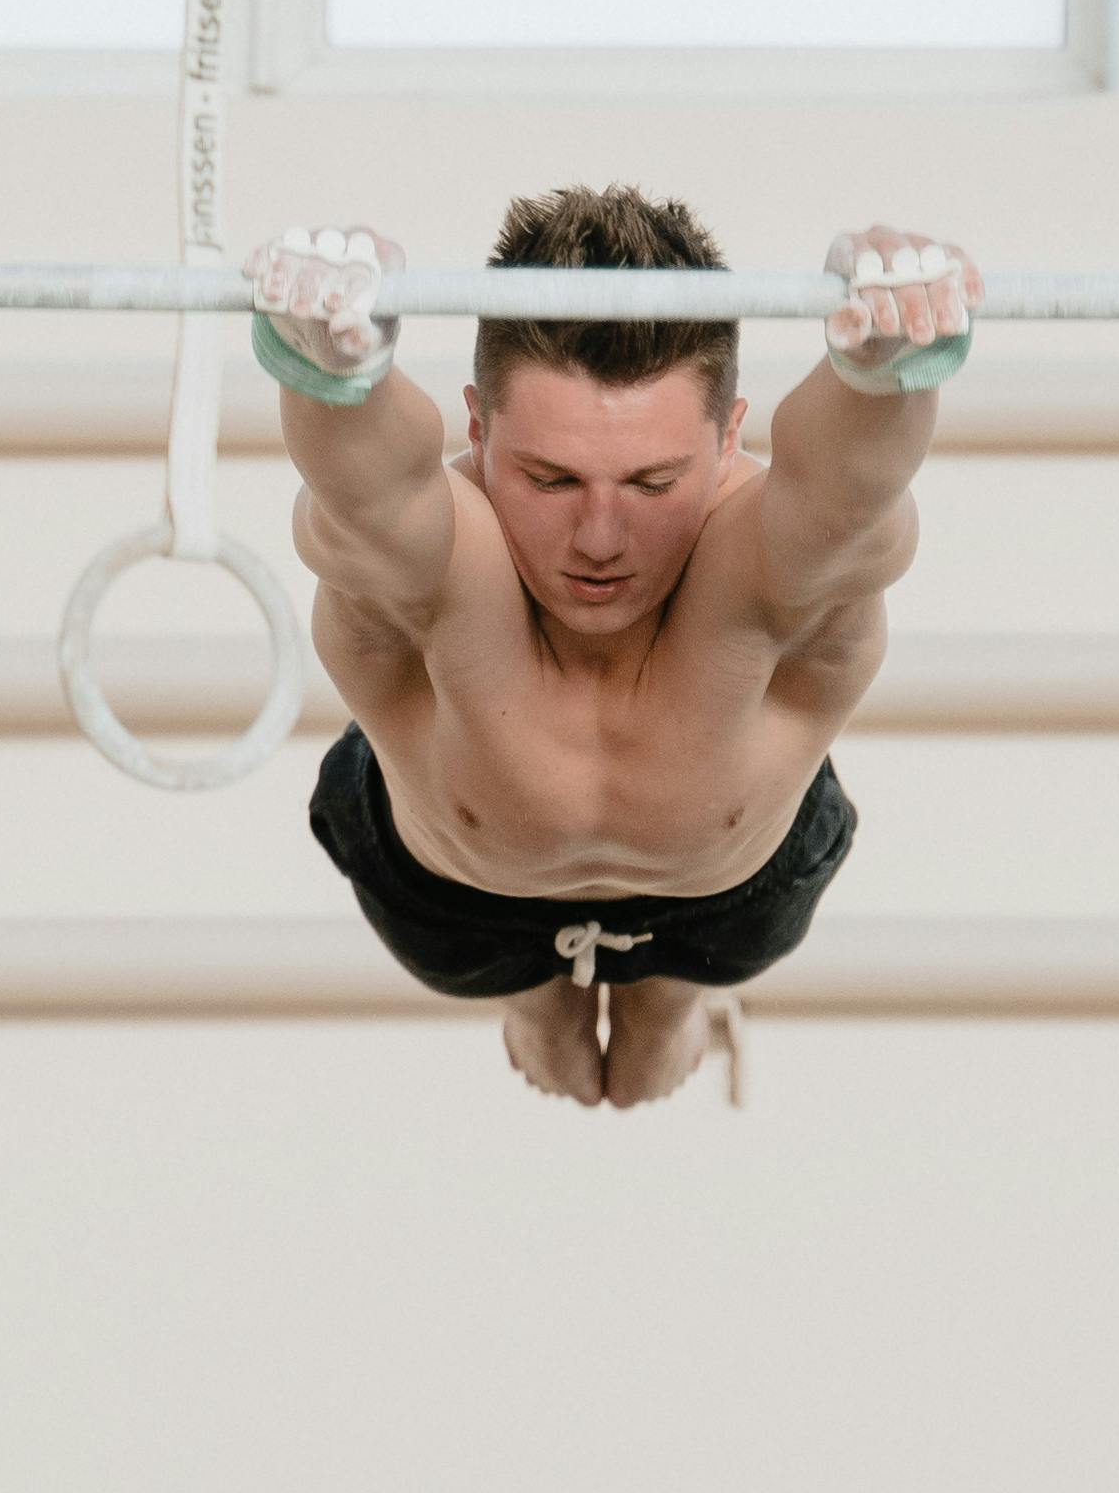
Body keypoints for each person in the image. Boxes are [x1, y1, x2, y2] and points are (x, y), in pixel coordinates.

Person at [251, 183, 979, 1109]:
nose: (601, 538)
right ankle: (534, 1002)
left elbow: (848, 502)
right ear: (476, 426)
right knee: (401, 557)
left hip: (730, 899)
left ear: (726, 438)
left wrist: (887, 363)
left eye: (652, 482)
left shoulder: (755, 563)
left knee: (667, 1013)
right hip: (455, 899)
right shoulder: (447, 563)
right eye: (551, 479)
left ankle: (670, 1000)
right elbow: (367, 500)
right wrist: (330, 364)